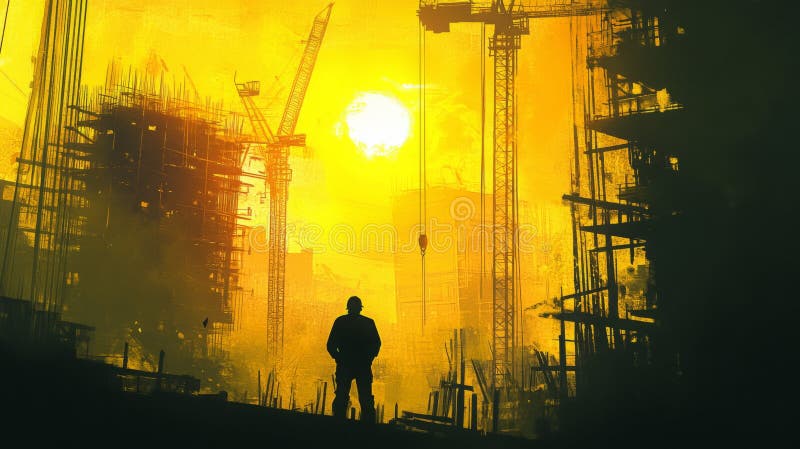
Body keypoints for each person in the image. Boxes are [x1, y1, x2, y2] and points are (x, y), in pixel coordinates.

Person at [326, 296, 381, 422]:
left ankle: (338, 426)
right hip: (362, 366)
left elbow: (330, 345)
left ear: (348, 308)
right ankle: (368, 430)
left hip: (345, 365)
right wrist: (369, 359)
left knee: (341, 398)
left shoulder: (340, 322)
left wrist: (339, 357)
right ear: (360, 309)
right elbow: (376, 343)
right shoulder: (368, 323)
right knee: (365, 399)